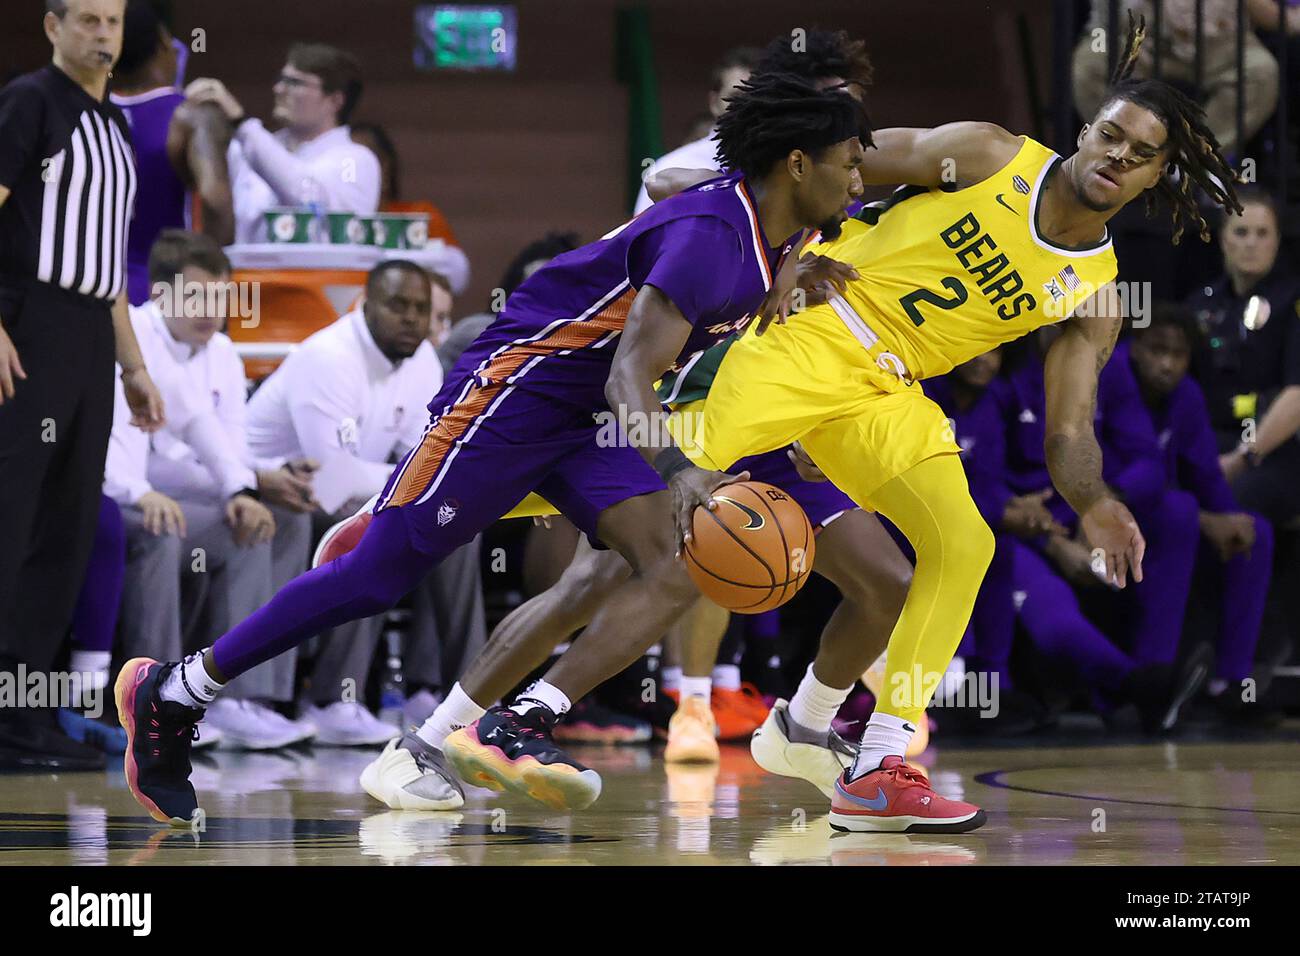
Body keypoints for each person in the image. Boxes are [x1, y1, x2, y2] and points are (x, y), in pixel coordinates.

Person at [408, 16, 1241, 833]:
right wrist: (777, 252)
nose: (1114, 157)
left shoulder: (1095, 290)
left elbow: (1069, 433)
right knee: (644, 535)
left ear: (1154, 176)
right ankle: (483, 677)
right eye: (1109, 134)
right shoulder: (989, 154)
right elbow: (815, 161)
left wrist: (1092, 500)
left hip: (886, 392)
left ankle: (870, 758)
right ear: (1087, 128)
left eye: (1138, 155)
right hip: (801, 339)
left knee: (962, 543)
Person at [115, 71, 868, 826]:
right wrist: (679, 470)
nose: (861, 177)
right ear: (797, 164)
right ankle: (178, 689)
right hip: (516, 393)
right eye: (849, 160)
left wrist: (792, 276)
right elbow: (629, 375)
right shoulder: (713, 237)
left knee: (679, 560)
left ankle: (521, 720)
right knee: (377, 579)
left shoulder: (783, 224)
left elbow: (670, 182)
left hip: (584, 411)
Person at [0, 0, 164, 771]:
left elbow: (106, 269)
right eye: (88, 20)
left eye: (113, 21)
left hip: (89, 340)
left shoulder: (118, 128)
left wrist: (131, 366)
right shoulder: (30, 101)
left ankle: (23, 718)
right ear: (52, 26)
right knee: (13, 527)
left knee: (65, 534)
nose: (103, 35)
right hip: (27, 325)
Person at [246, 260, 487, 744]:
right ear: (365, 304)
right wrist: (412, 480)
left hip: (352, 494)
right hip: (268, 492)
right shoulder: (328, 357)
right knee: (374, 527)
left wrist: (427, 484)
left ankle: (466, 696)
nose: (412, 319)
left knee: (457, 524)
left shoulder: (418, 361)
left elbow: (425, 458)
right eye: (398, 305)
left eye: (421, 309)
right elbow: (330, 478)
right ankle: (336, 698)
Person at [106, 231, 317, 749]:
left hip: (193, 496)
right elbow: (145, 463)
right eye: (196, 297)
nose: (212, 312)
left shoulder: (223, 352)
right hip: (128, 494)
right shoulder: (129, 339)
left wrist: (255, 483)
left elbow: (231, 449)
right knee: (175, 523)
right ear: (159, 294)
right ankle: (157, 699)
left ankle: (246, 700)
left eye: (220, 298)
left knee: (281, 521)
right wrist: (236, 490)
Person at [1127, 304, 1277, 721]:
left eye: (1178, 355)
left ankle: (1231, 681)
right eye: (1158, 351)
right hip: (1109, 509)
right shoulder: (1114, 380)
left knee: (1254, 532)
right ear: (1135, 347)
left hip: (1162, 510)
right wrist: (1206, 520)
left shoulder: (1187, 395)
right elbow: (1124, 479)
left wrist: (1227, 519)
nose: (1167, 364)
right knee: (1180, 511)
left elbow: (1206, 472)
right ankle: (1154, 677)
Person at [184, 43, 380, 244]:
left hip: (319, 274)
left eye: (295, 82)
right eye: (281, 79)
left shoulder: (356, 160)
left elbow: (308, 198)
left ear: (335, 101)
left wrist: (241, 124)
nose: (278, 89)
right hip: (246, 273)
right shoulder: (247, 148)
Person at [1187, 189, 1300, 529]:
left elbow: (1297, 394)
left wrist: (1244, 457)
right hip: (1210, 441)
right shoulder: (1200, 305)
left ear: (1277, 241)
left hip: (1272, 452)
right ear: (1223, 240)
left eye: (1262, 233)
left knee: (1233, 502)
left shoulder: (1292, 301)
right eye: (1240, 232)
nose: (1251, 243)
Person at [109, 0, 234, 304]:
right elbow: (216, 201)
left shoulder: (85, 111)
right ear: (165, 44)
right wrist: (210, 280)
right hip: (164, 288)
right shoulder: (190, 117)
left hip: (98, 288)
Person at [1072, 0, 1279, 155]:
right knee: (1090, 62)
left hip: (1217, 42)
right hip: (1140, 36)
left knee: (1261, 70)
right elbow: (1102, 22)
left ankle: (1182, 161)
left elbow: (1271, 16)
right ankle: (1118, 150)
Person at [632, 46, 761, 214]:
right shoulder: (670, 167)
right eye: (736, 97)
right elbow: (644, 238)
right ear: (714, 102)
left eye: (755, 97)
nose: (745, 107)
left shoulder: (784, 170)